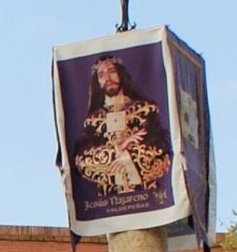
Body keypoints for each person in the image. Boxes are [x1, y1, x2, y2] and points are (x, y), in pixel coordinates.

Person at [71, 55, 172, 196]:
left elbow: (162, 153)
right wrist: (120, 149)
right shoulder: (93, 121)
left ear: (120, 74)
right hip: (109, 200)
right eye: (101, 75)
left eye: (111, 71)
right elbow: (82, 161)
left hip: (146, 195)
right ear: (97, 82)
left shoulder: (145, 110)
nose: (107, 78)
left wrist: (129, 158)